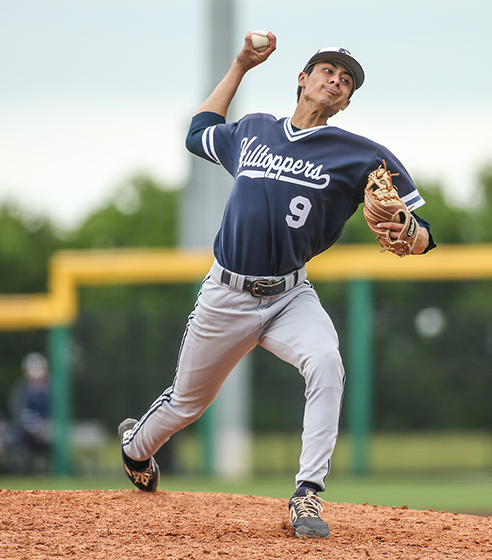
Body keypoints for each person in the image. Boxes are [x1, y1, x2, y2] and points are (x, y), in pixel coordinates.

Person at [118, 32, 436, 538]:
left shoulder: (361, 156)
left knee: (326, 362)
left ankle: (307, 494)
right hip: (226, 293)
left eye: (346, 80)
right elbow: (199, 131)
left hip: (290, 296)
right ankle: (136, 449)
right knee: (187, 402)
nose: (336, 80)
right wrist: (240, 65)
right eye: (327, 70)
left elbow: (424, 235)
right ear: (302, 79)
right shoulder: (255, 130)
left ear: (347, 102)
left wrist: (410, 232)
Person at [8, 352, 52, 473]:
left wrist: (45, 426)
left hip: (48, 431)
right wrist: (33, 427)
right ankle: (20, 470)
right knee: (16, 440)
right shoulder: (21, 390)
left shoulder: (53, 389)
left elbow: (58, 412)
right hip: (26, 433)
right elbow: (18, 413)